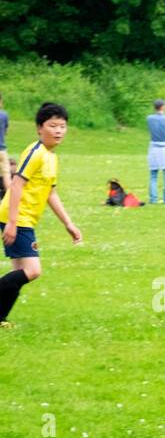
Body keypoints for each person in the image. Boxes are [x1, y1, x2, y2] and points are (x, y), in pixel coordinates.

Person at [0, 103, 83, 328]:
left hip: (23, 218)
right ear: (39, 128)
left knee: (18, 272)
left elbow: (51, 193)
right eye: (52, 125)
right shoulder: (35, 153)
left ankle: (0, 318)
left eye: (62, 126)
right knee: (33, 271)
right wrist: (12, 224)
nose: (58, 131)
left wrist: (68, 223)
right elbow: (16, 185)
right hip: (18, 217)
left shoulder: (51, 158)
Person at [146, 99, 165, 205]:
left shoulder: (149, 119)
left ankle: (153, 199)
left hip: (153, 147)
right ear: (163, 107)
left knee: (153, 175)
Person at [0, 93, 8, 196]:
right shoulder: (4, 115)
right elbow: (6, 131)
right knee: (6, 174)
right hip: (1, 150)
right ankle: (9, 196)